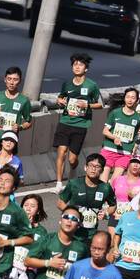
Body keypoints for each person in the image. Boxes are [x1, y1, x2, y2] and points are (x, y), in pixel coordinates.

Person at [53, 52, 102, 187]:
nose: (77, 67)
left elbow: (100, 104)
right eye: (75, 64)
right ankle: (58, 184)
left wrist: (87, 105)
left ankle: (73, 171)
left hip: (80, 124)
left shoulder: (91, 85)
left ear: (86, 69)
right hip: (65, 121)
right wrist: (59, 101)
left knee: (72, 159)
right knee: (61, 152)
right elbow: (60, 98)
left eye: (80, 65)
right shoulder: (67, 84)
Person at [0, 66, 32, 163]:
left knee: (6, 175)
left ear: (20, 81)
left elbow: (29, 122)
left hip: (10, 143)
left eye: (15, 79)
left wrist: (20, 127)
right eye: (9, 79)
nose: (12, 82)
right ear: (5, 80)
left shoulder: (24, 101)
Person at [57, 153, 111, 241]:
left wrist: (106, 213)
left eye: (97, 167)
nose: (93, 169)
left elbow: (113, 205)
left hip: (91, 233)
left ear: (102, 170)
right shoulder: (74, 183)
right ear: (85, 167)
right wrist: (74, 215)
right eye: (91, 165)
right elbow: (60, 203)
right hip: (73, 232)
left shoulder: (105, 188)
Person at [102, 89, 140, 182]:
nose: (130, 100)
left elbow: (137, 139)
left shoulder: (139, 118)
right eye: (128, 97)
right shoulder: (115, 113)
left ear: (137, 100)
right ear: (124, 98)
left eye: (133, 98)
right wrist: (115, 137)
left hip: (125, 153)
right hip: (109, 149)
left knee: (114, 182)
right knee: (103, 181)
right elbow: (105, 131)